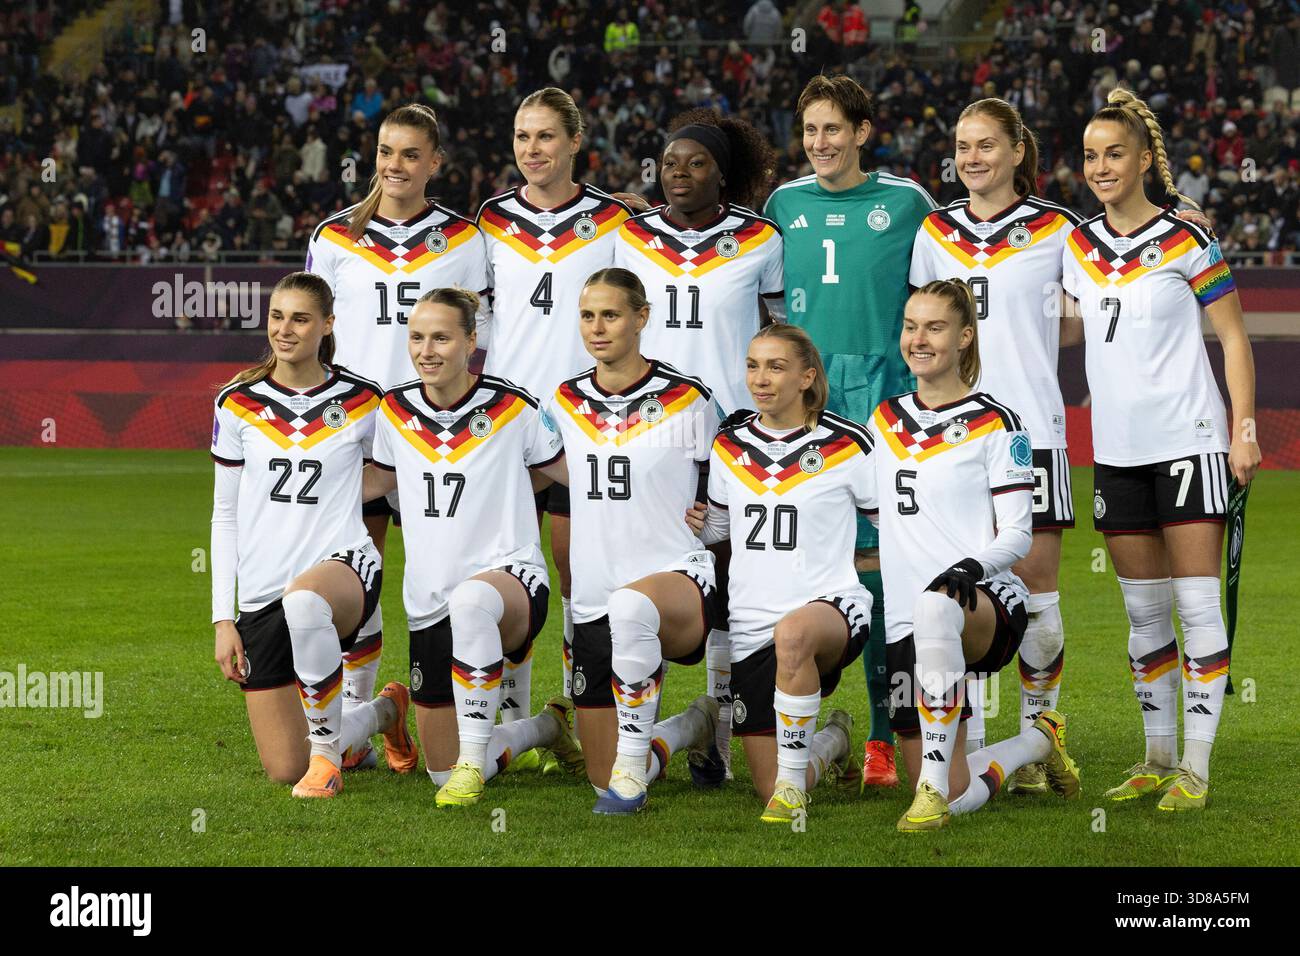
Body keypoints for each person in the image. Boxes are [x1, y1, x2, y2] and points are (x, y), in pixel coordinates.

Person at [1063, 89, 1261, 811]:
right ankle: (1156, 758)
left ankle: (1197, 772)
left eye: (1115, 153)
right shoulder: (1075, 246)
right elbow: (1058, 324)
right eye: (1089, 156)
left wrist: (1244, 430)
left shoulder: (1187, 238)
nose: (1101, 166)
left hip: (1192, 442)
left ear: (1145, 159)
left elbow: (1235, 339)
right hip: (1117, 452)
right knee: (1143, 616)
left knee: (1197, 607)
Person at [762, 74, 937, 789]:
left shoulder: (907, 204)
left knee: (880, 573)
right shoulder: (782, 205)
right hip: (801, 411)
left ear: (863, 133)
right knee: (800, 570)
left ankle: (882, 736)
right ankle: (797, 724)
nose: (820, 144)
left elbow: (950, 282)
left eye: (834, 129)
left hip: (883, 408)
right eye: (810, 131)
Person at [306, 103, 488, 771]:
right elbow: (313, 333)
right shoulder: (333, 237)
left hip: (433, 434)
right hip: (354, 434)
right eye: (386, 151)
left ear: (434, 163)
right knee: (358, 571)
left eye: (411, 154)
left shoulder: (466, 242)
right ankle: (362, 716)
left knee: (445, 578)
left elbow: (482, 342)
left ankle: (459, 716)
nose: (395, 165)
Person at [908, 98, 1082, 793]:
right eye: (962, 145)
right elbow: (924, 328)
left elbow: (1086, 314)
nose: (972, 158)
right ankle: (972, 744)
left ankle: (1041, 742)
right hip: (953, 443)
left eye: (986, 145)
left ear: (1017, 151)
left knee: (1038, 599)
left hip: (1032, 435)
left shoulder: (1059, 229)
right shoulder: (934, 232)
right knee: (960, 591)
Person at [865, 280, 1081, 831]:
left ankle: (932, 794)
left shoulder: (1001, 424)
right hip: (910, 625)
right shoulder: (883, 421)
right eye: (911, 326)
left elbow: (1018, 535)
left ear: (964, 337)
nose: (918, 339)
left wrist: (968, 567)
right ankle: (1036, 741)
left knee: (938, 606)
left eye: (934, 328)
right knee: (960, 786)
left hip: (984, 603)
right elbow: (871, 508)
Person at [362, 288, 583, 806]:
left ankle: (476, 764)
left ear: (472, 340)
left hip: (512, 582)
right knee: (441, 771)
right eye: (417, 337)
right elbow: (374, 484)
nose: (427, 350)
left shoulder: (514, 406)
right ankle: (542, 729)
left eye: (442, 336)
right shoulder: (394, 411)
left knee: (472, 601)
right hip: (427, 604)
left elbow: (572, 474)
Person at [614, 107, 783, 777]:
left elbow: (778, 331)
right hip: (653, 433)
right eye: (670, 163)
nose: (679, 174)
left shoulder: (763, 239)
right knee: (645, 569)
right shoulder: (630, 237)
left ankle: (716, 729)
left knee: (730, 580)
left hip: (734, 435)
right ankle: (633, 731)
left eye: (697, 163)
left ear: (724, 174)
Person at [210, 272, 416, 798]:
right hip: (261, 593)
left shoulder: (363, 400)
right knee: (283, 767)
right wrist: (223, 619)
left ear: (327, 325)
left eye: (300, 318)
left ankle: (328, 762)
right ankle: (383, 713)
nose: (285, 329)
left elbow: (393, 472)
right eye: (277, 316)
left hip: (343, 567)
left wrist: (343, 490)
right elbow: (224, 514)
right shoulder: (238, 402)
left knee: (305, 601)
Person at [477, 88, 634, 745]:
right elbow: (476, 317)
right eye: (521, 137)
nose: (532, 150)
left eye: (545, 137)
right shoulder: (488, 221)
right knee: (505, 572)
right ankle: (513, 719)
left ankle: (575, 710)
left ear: (575, 141)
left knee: (577, 574)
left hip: (580, 427)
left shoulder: (617, 223)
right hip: (506, 428)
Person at [542, 268, 726, 813]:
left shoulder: (686, 398)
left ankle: (640, 760)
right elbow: (531, 472)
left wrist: (712, 518)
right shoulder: (564, 400)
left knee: (632, 607)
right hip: (597, 594)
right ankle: (693, 725)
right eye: (587, 315)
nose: (598, 328)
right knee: (605, 776)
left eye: (612, 314)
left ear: (642, 317)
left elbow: (726, 477)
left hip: (676, 581)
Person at [686, 324, 865, 824]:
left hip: (831, 607)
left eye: (776, 366)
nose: (760, 379)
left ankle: (794, 787)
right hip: (750, 626)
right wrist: (697, 528)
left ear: (808, 376)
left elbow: (893, 519)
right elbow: (721, 526)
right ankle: (834, 739)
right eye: (752, 365)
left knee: (795, 632)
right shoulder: (729, 446)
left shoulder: (849, 445)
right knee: (770, 786)